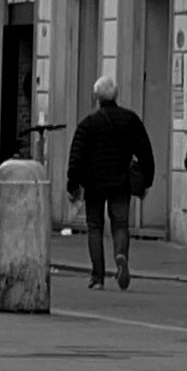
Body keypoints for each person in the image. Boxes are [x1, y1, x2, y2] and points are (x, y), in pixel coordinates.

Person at [64, 74, 154, 289]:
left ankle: (97, 277)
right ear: (116, 95)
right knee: (120, 225)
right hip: (121, 182)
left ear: (97, 98)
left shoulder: (87, 124)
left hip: (94, 183)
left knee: (95, 227)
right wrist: (146, 181)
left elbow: (76, 157)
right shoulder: (130, 120)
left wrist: (72, 185)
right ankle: (121, 255)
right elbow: (145, 153)